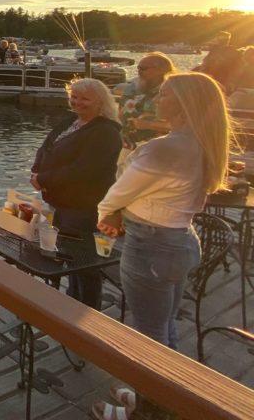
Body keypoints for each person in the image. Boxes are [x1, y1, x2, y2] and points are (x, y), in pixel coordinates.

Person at [92, 72, 230, 419]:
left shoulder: (163, 147)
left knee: (148, 337)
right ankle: (157, 398)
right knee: (165, 325)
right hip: (179, 241)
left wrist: (108, 215)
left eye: (165, 94)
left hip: (150, 247)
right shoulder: (200, 142)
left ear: (183, 103)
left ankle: (150, 411)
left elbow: (118, 192)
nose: (157, 100)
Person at [31, 78, 122, 308]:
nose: (77, 102)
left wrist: (43, 178)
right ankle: (73, 303)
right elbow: (47, 146)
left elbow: (83, 170)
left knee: (84, 262)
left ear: (100, 102)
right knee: (68, 254)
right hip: (59, 201)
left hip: (83, 205)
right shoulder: (71, 120)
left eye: (84, 98)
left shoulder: (106, 132)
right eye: (74, 96)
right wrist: (36, 171)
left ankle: (89, 310)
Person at [117, 52, 175, 150]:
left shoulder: (173, 92)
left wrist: (149, 125)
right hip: (126, 147)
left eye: (143, 68)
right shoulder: (131, 88)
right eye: (138, 68)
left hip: (159, 148)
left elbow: (182, 127)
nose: (139, 71)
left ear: (161, 70)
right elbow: (120, 114)